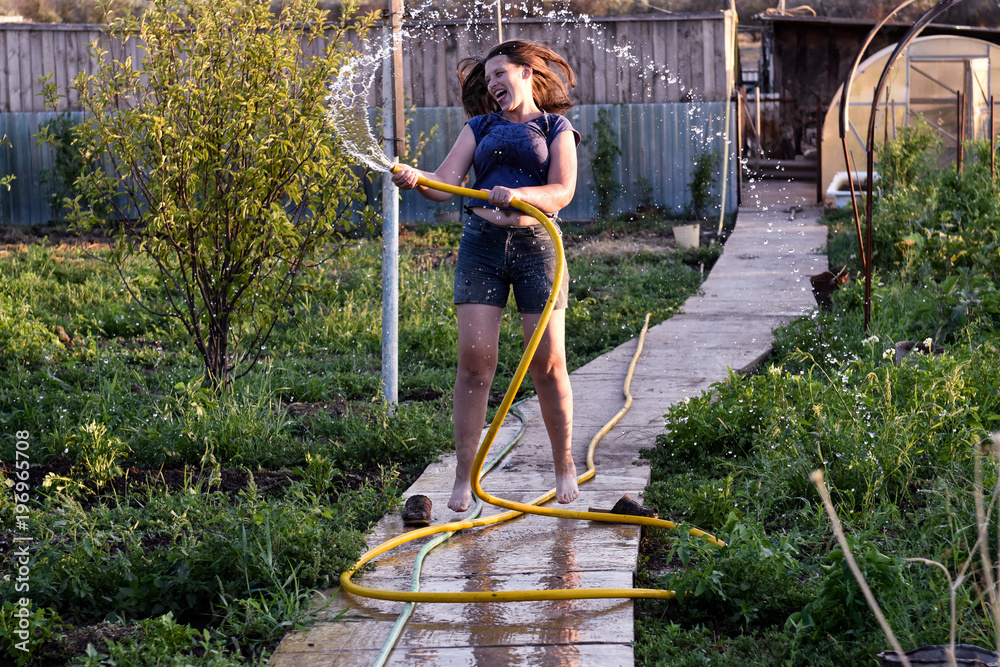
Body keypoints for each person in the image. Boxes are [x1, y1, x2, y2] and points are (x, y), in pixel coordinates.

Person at [391, 39, 581, 513]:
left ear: (527, 73)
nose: (493, 83)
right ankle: (463, 476)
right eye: (489, 77)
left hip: (538, 248)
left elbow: (561, 192)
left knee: (547, 364)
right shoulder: (479, 127)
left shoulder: (556, 127)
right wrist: (417, 178)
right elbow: (442, 184)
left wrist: (520, 196)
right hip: (481, 247)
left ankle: (564, 465)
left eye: (501, 73)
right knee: (475, 362)